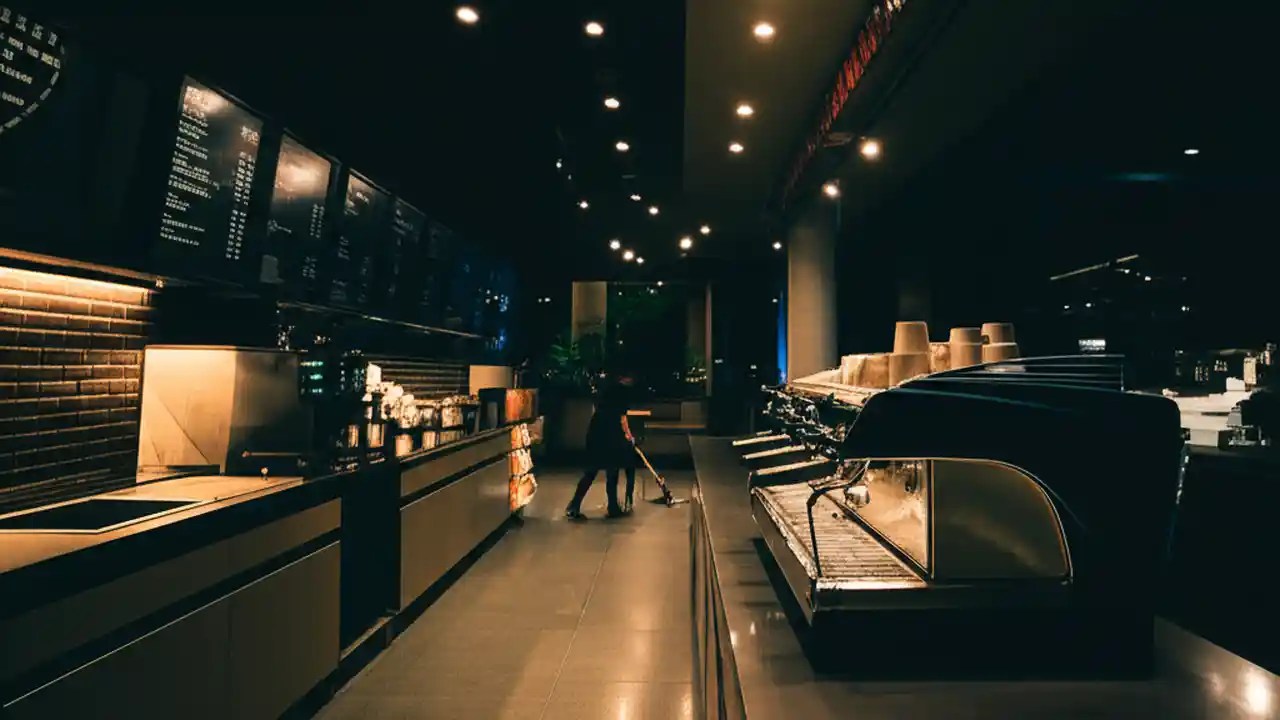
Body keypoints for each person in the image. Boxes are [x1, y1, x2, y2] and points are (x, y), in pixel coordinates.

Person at [565, 371, 636, 519]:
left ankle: (574, 505)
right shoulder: (623, 392)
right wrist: (629, 436)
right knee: (612, 470)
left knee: (591, 470)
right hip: (610, 433)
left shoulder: (607, 388)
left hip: (597, 430)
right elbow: (622, 417)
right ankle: (612, 507)